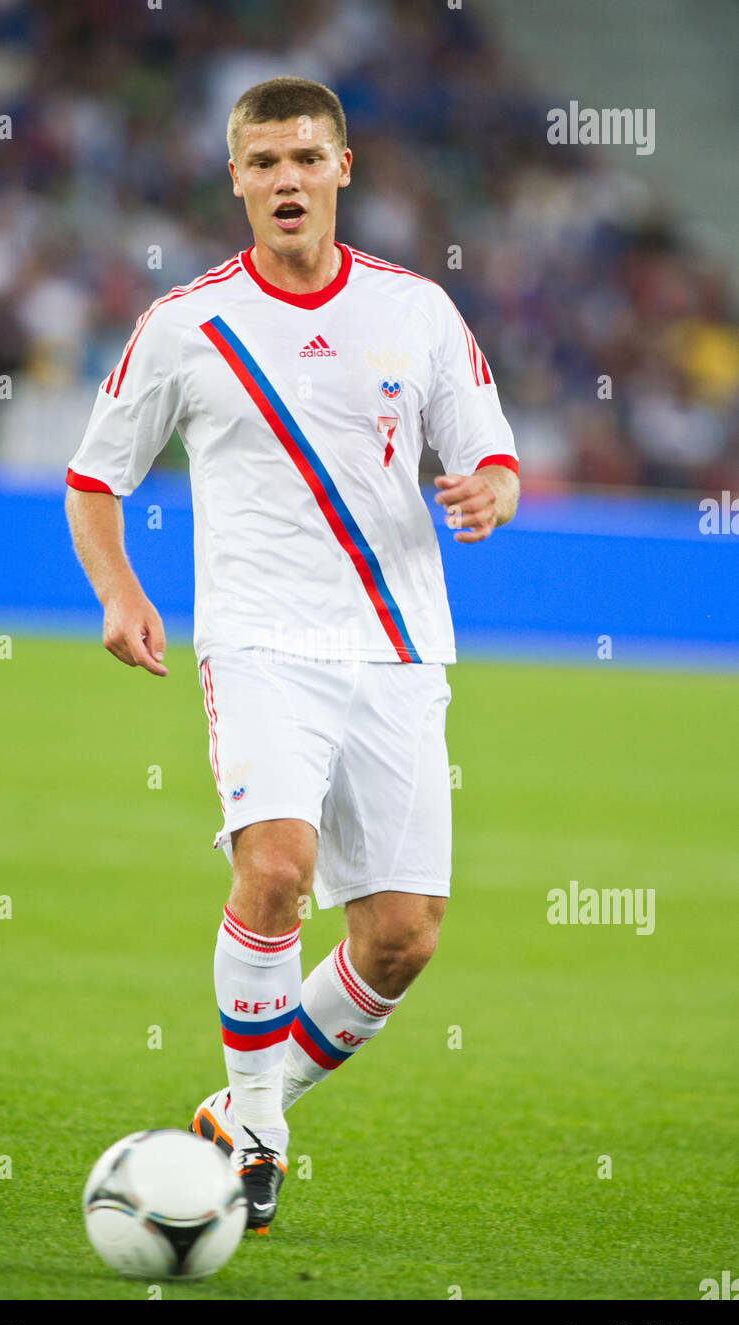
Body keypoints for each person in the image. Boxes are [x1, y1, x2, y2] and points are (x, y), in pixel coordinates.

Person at [64, 76, 519, 1234]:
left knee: (400, 938)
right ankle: (262, 1133)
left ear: (342, 168)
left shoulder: (415, 310)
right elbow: (92, 476)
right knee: (272, 866)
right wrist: (119, 590)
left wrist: (487, 490)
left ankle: (234, 1110)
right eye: (262, 162)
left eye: (304, 158)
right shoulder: (186, 323)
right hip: (261, 644)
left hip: (400, 649)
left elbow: (490, 452)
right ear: (234, 178)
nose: (284, 181)